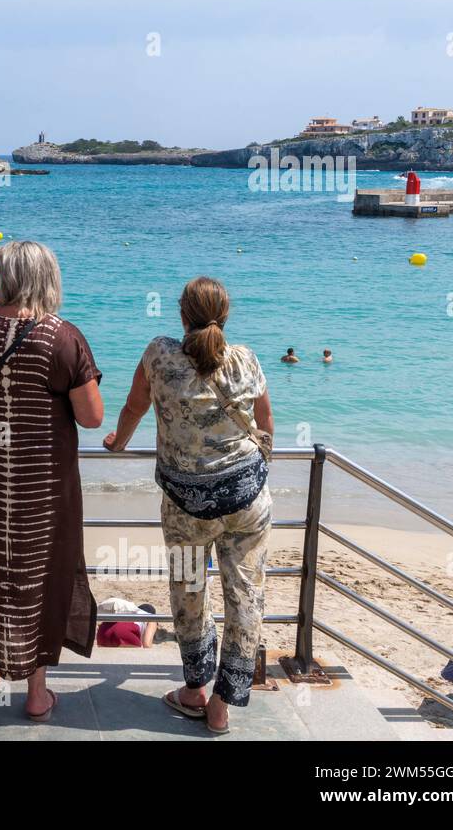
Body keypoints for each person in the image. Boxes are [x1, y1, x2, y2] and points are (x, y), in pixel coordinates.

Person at [0, 240, 103, 722]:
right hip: (45, 478)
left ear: (7, 279)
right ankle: (35, 692)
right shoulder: (62, 337)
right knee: (44, 570)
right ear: (48, 280)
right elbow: (92, 418)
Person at [103, 276, 274, 736]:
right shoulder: (246, 360)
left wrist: (117, 444)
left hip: (186, 503)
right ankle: (222, 703)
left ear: (181, 315)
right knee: (245, 594)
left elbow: (134, 407)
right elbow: (265, 422)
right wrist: (260, 469)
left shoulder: (159, 355)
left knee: (189, 589)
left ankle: (195, 689)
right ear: (227, 314)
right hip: (246, 498)